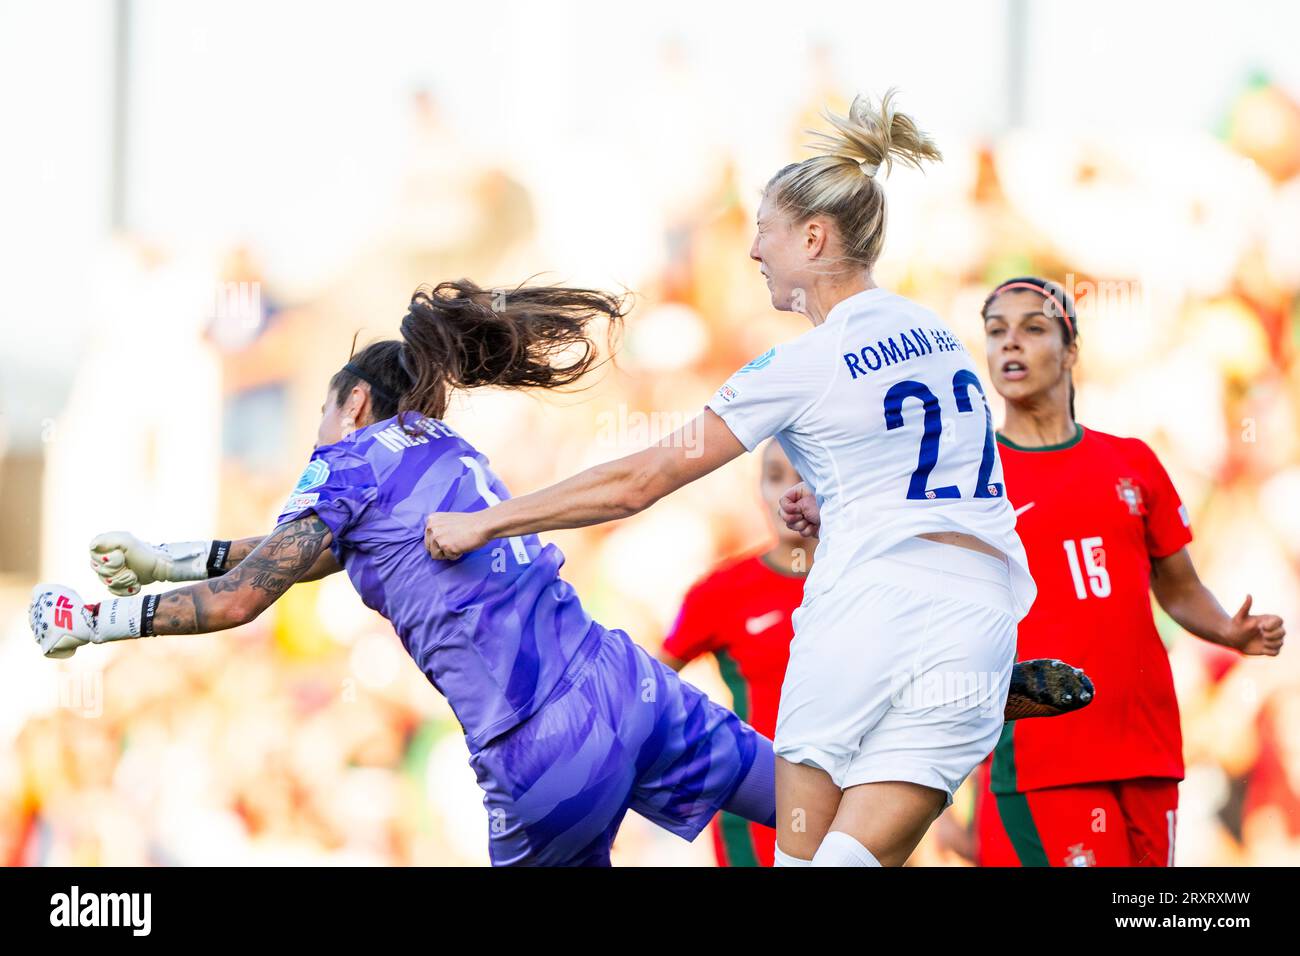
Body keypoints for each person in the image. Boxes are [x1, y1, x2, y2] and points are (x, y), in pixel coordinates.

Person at [422, 93, 1081, 867]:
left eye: (763, 229)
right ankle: (990, 692)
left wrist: (487, 522)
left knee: (800, 858)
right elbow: (940, 478)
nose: (753, 251)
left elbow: (643, 479)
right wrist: (837, 500)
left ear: (813, 235)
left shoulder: (800, 364)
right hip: (979, 620)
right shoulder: (938, 335)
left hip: (870, 613)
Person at [28, 280, 781, 867]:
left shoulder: (347, 460)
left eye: (323, 416)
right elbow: (302, 556)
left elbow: (243, 600)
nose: (316, 437)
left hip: (539, 740)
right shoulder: (444, 446)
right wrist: (164, 560)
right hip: (624, 678)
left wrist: (96, 623)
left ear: (353, 402)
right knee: (822, 813)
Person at [969, 276, 1286, 866]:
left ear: (1070, 351)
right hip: (1047, 755)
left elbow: (1179, 586)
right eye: (995, 332)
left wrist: (1229, 630)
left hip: (1147, 748)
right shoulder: (970, 480)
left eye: (1032, 329)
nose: (1010, 344)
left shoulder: (1132, 461)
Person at [658, 440, 811, 866]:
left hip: (858, 804)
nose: (789, 492)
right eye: (775, 477)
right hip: (760, 812)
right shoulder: (722, 593)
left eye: (803, 475)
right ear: (758, 488)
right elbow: (646, 691)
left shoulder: (865, 582)